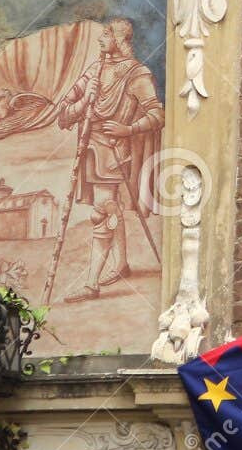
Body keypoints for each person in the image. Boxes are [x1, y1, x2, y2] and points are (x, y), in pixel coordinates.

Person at [56, 20, 164, 302]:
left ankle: (91, 284)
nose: (100, 39)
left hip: (116, 153)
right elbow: (63, 113)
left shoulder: (137, 75)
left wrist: (127, 130)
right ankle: (121, 264)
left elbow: (157, 115)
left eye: (106, 34)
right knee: (109, 207)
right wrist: (83, 103)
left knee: (102, 212)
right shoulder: (94, 70)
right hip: (89, 151)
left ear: (120, 38)